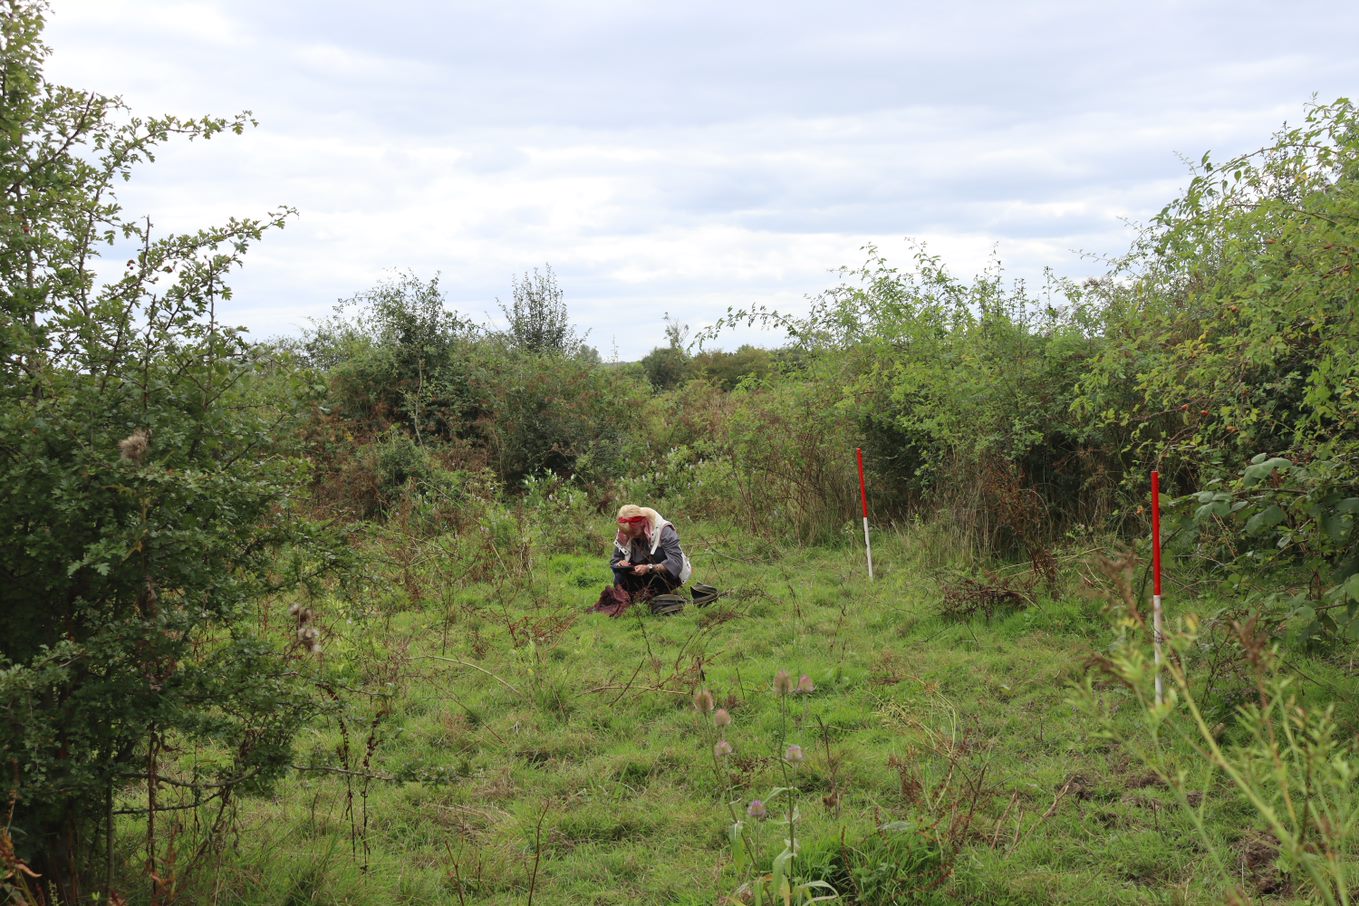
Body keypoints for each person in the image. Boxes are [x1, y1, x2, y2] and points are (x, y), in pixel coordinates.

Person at [610, 504, 691, 598]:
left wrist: (649, 568)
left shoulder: (664, 529)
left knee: (658, 554)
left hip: (662, 575)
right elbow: (614, 561)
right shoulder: (625, 531)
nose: (631, 537)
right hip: (638, 575)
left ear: (642, 523)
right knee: (619, 577)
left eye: (634, 533)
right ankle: (638, 593)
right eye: (628, 534)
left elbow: (676, 564)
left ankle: (660, 591)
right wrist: (620, 564)